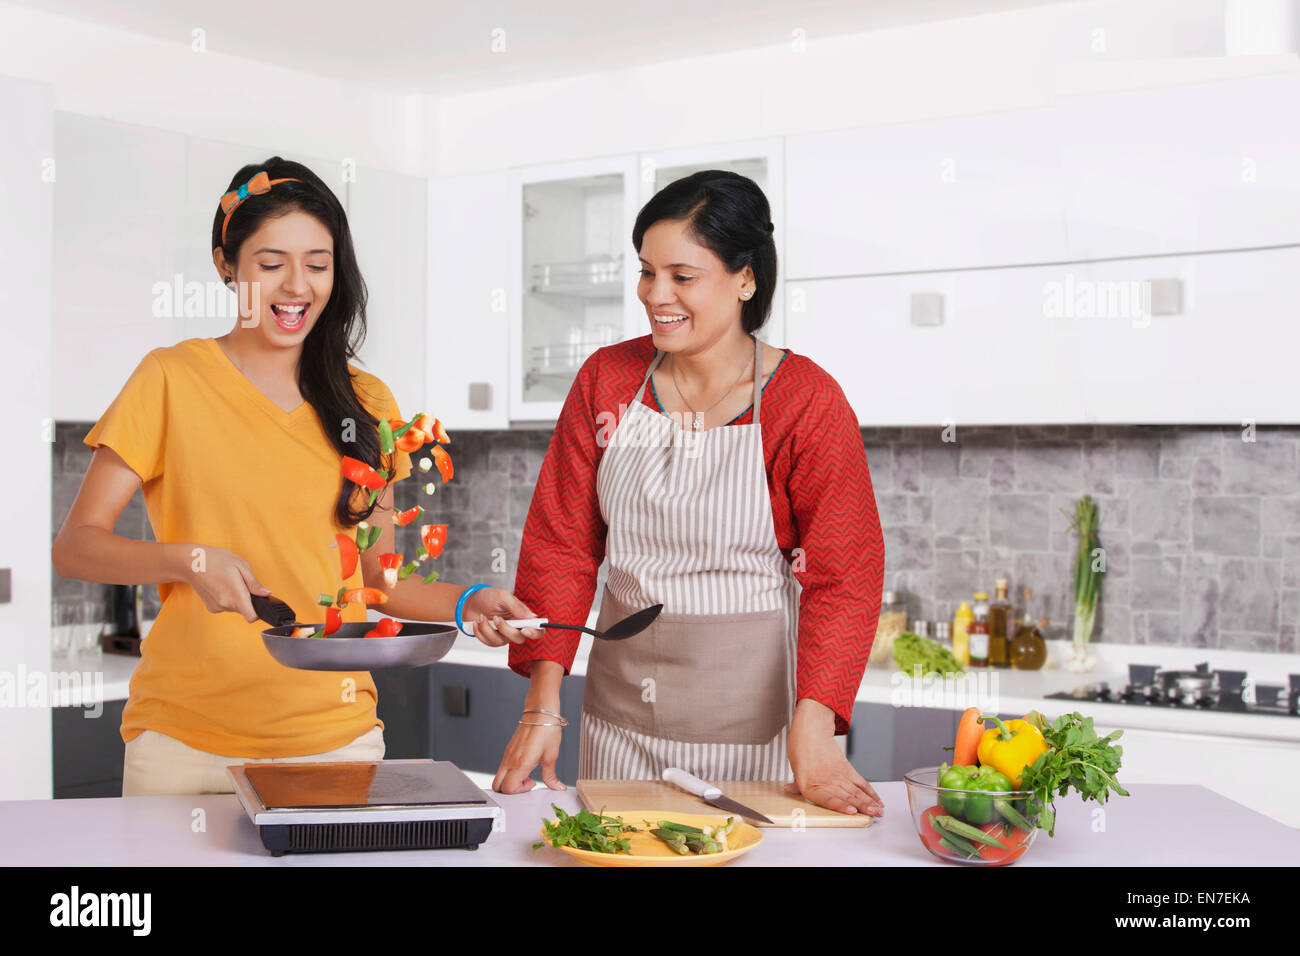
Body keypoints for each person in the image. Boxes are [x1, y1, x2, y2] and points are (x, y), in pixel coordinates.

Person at [52, 157, 535, 797]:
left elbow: (378, 584)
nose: (297, 286)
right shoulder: (170, 379)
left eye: (317, 263)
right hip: (184, 746)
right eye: (271, 263)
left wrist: (469, 603)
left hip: (337, 741)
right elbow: (76, 546)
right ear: (227, 265)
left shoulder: (367, 401)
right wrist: (189, 561)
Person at [493, 170, 886, 816]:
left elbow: (844, 575)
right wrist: (542, 706)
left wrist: (817, 729)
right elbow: (561, 546)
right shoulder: (606, 380)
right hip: (619, 730)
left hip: (757, 739)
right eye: (647, 272)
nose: (656, 295)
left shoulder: (805, 401)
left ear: (745, 278)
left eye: (682, 275)